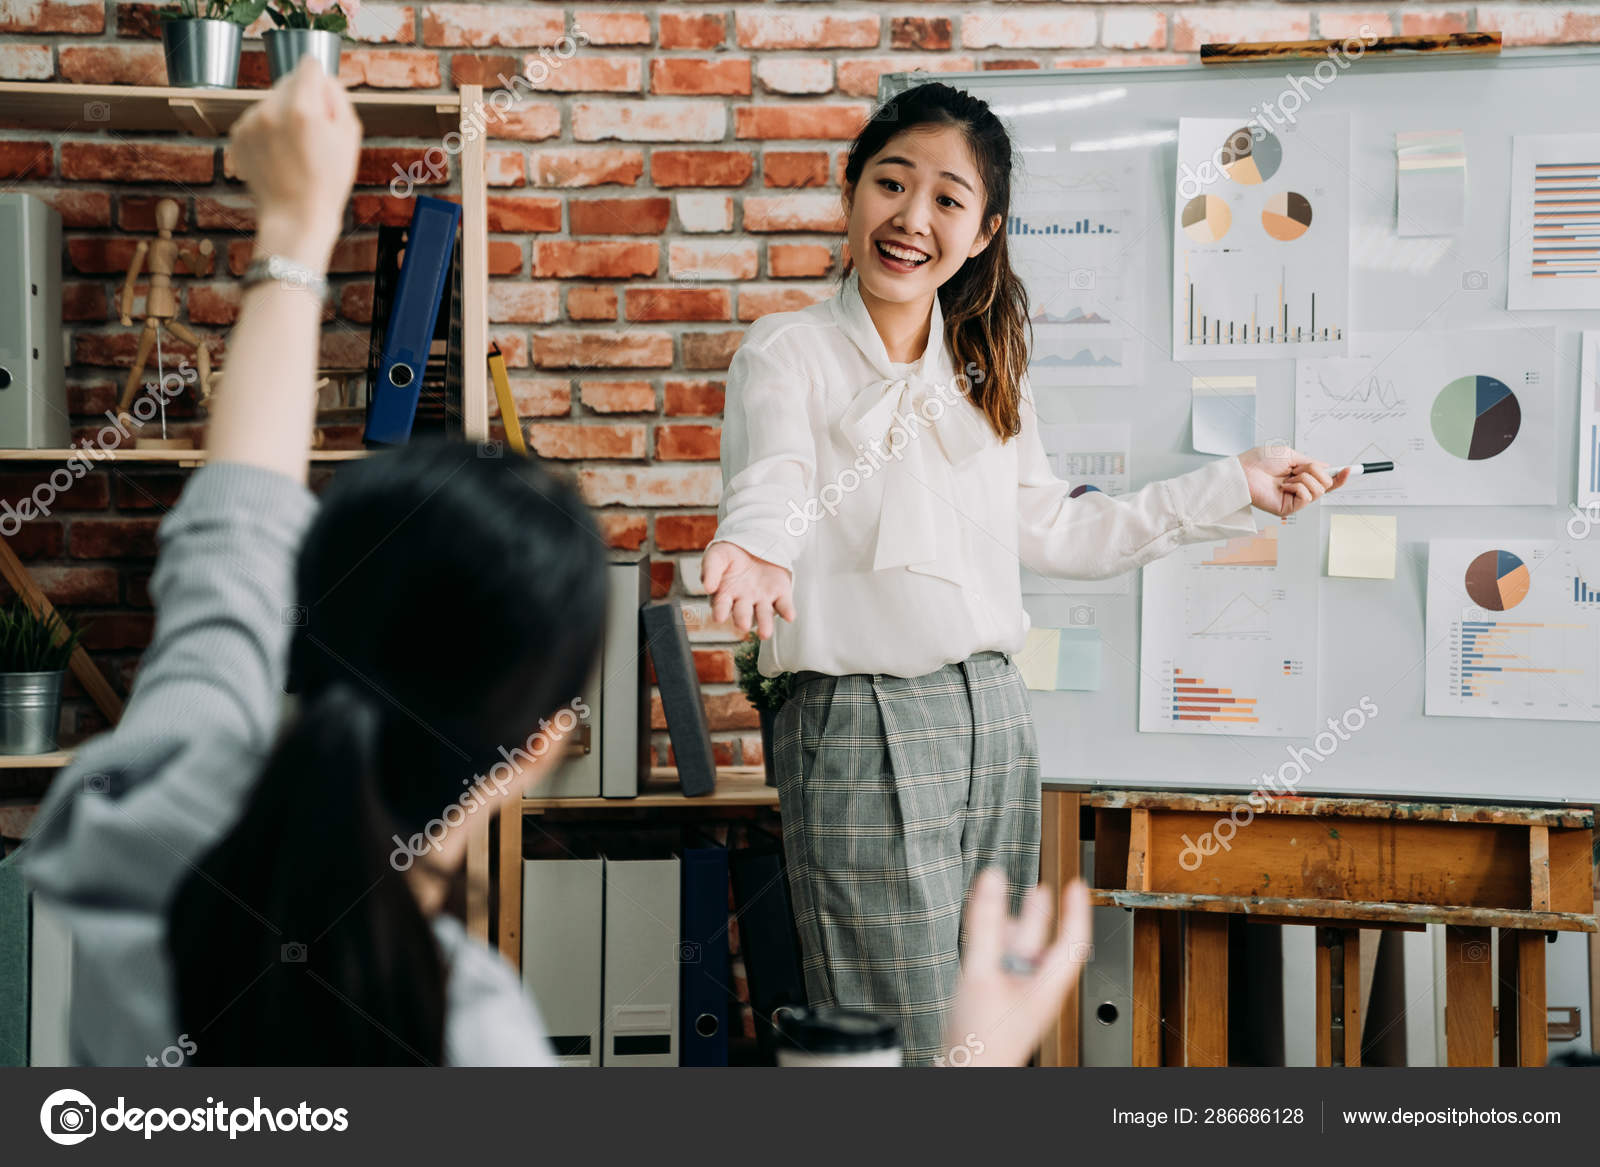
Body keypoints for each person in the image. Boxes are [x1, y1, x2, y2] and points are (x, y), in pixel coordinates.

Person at [23, 59, 1092, 1068]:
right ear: (539, 746)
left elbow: (231, 536)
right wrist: (981, 1056)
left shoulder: (143, 828)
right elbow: (234, 540)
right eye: (892, 183)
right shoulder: (473, 1032)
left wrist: (295, 226)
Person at [702, 81, 1350, 1065]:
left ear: (983, 231)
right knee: (898, 1038)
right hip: (862, 720)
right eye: (890, 184)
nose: (911, 218)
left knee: (985, 1028)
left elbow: (1058, 528)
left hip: (994, 722)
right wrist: (756, 543)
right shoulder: (788, 352)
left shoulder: (984, 366)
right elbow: (775, 475)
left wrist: (1232, 484)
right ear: (850, 191)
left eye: (947, 199)